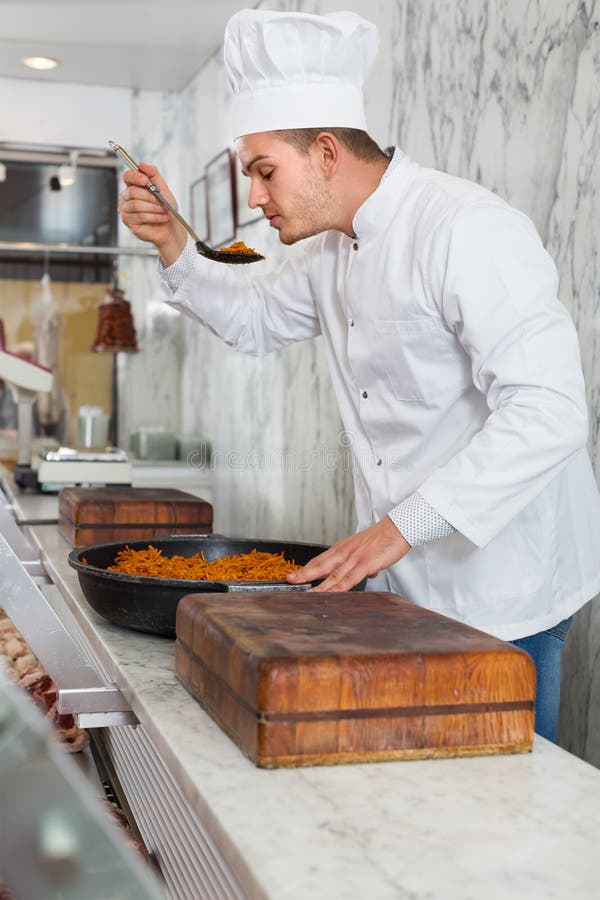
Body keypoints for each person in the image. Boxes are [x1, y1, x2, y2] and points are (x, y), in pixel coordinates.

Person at [118, 8, 600, 742]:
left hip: (505, 594)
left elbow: (552, 409)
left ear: (325, 152)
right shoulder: (326, 256)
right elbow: (251, 319)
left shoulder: (464, 227)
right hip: (399, 593)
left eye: (263, 171)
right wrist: (172, 241)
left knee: (505, 821)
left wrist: (397, 529)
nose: (254, 197)